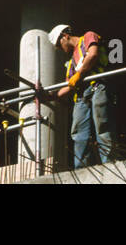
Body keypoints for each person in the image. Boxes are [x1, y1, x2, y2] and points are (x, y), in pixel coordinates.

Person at [48, 23, 115, 168]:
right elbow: (69, 86)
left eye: (59, 46)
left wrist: (78, 75)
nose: (61, 49)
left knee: (102, 125)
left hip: (97, 86)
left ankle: (109, 163)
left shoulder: (88, 37)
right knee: (78, 134)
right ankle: (81, 169)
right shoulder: (71, 62)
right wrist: (52, 96)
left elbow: (93, 55)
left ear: (65, 36)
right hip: (81, 97)